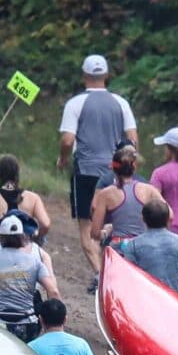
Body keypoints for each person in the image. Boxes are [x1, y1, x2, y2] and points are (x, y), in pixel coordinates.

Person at [57, 55, 135, 242]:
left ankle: (98, 271)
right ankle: (110, 268)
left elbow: (67, 141)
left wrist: (63, 159)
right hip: (115, 173)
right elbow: (132, 139)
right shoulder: (121, 103)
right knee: (113, 224)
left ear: (84, 75)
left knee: (87, 228)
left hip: (85, 170)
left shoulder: (74, 104)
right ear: (107, 75)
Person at [0, 216, 58, 340]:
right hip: (26, 323)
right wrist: (49, 319)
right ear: (22, 237)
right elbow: (53, 291)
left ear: (0, 237)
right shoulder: (34, 262)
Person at [83, 143, 159, 279]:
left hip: (119, 251)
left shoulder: (106, 194)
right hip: (145, 246)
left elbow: (94, 233)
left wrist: (106, 232)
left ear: (113, 169)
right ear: (134, 167)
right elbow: (169, 214)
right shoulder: (149, 189)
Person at [115, 196, 178, 299]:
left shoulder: (133, 245)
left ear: (143, 219)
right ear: (168, 219)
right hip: (177, 304)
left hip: (147, 303)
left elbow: (126, 276)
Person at [0, 155, 51, 251]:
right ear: (17, 174)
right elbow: (46, 224)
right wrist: (35, 237)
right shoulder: (33, 198)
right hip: (25, 253)